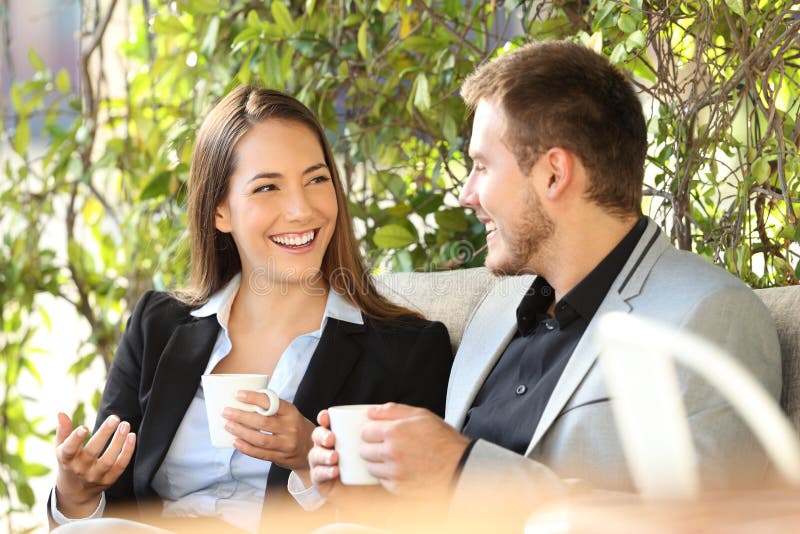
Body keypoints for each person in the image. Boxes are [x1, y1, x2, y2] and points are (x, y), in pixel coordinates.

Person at [306, 40, 782, 524]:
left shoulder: (710, 316)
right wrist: (377, 493)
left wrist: (463, 470)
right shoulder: (498, 309)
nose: (467, 195)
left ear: (554, 174)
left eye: (482, 166)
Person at [48, 86, 453, 533]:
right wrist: (76, 494)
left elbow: (423, 516)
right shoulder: (157, 326)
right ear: (220, 211)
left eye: (317, 179)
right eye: (267, 187)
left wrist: (308, 457)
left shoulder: (406, 350)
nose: (301, 210)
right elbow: (114, 501)